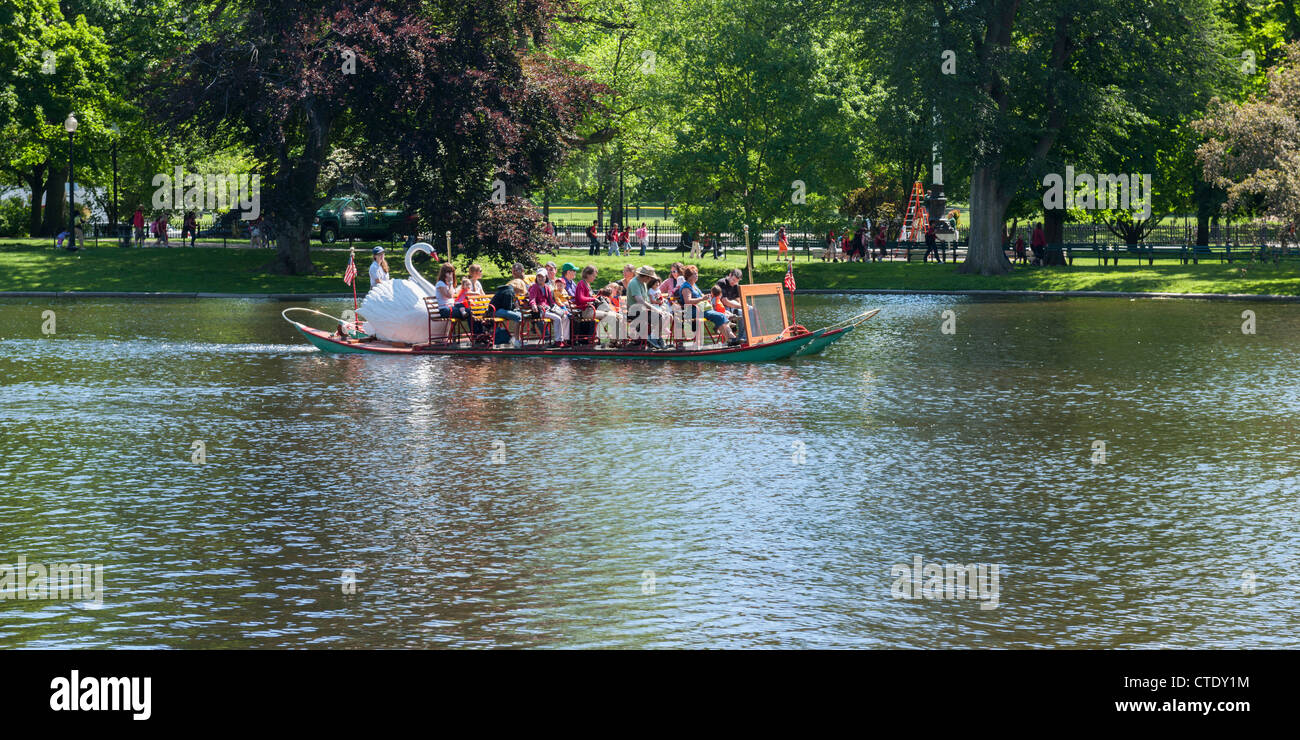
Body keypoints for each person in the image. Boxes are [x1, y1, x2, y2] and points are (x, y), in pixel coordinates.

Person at [676, 264, 736, 344]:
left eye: (697, 273)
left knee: (721, 315)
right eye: (694, 273)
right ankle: (731, 338)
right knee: (720, 316)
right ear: (689, 276)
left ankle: (730, 339)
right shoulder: (686, 287)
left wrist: (706, 297)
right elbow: (687, 301)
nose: (697, 275)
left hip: (701, 309)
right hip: (692, 311)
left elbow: (699, 297)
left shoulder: (694, 285)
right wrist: (702, 299)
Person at [626, 265, 668, 349]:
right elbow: (640, 301)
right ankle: (654, 338)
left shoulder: (643, 283)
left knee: (665, 315)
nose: (651, 280)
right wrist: (655, 309)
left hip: (642, 310)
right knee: (659, 316)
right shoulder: (634, 283)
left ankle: (655, 338)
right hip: (634, 312)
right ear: (645, 276)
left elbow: (647, 301)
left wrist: (659, 307)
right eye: (650, 278)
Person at [527, 268, 569, 345]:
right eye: (538, 276)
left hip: (548, 309)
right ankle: (558, 340)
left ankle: (565, 339)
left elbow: (551, 301)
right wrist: (533, 305)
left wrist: (560, 308)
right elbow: (532, 298)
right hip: (540, 311)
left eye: (542, 276)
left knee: (565, 317)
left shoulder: (546, 287)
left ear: (546, 277)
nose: (540, 278)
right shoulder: (534, 287)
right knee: (557, 319)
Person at [434, 263, 475, 336]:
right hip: (445, 310)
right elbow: (449, 295)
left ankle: (478, 333)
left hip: (452, 308)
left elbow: (455, 294)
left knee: (470, 311)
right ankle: (475, 334)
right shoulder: (440, 284)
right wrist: (450, 283)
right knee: (469, 312)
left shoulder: (448, 284)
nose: (450, 274)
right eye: (448, 272)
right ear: (444, 273)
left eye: (452, 272)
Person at [490, 278, 524, 348]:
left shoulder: (508, 289)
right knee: (518, 317)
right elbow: (507, 307)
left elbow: (507, 306)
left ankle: (516, 339)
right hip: (496, 311)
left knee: (520, 315)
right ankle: (516, 341)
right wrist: (515, 307)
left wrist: (515, 308)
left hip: (499, 309)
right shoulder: (509, 292)